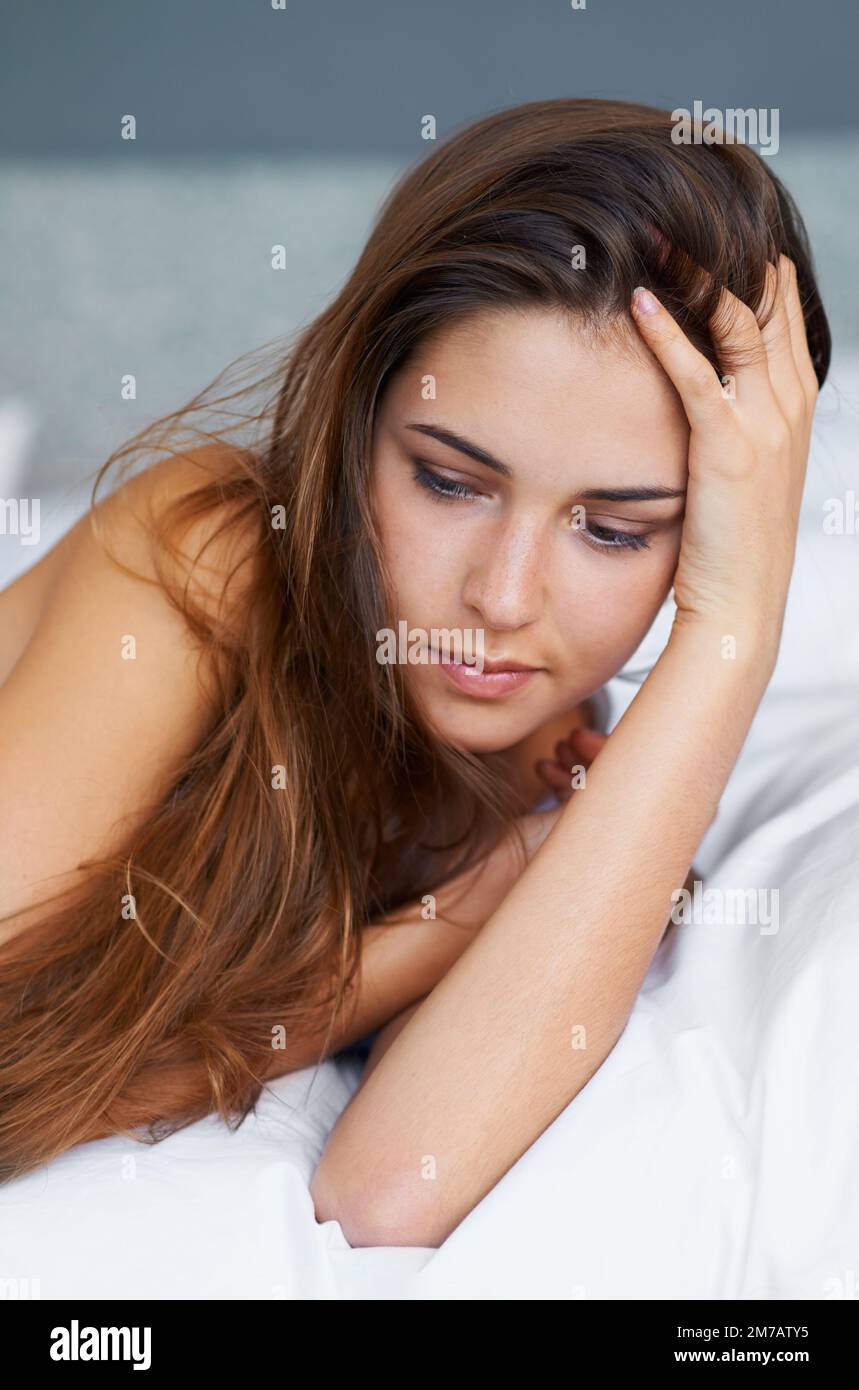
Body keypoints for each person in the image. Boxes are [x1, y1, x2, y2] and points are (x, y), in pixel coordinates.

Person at [0, 98, 827, 1249]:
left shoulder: (560, 750)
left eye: (614, 529)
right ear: (354, 425)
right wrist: (454, 921)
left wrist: (733, 629)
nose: (501, 597)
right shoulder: (208, 554)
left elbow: (389, 1188)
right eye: (449, 481)